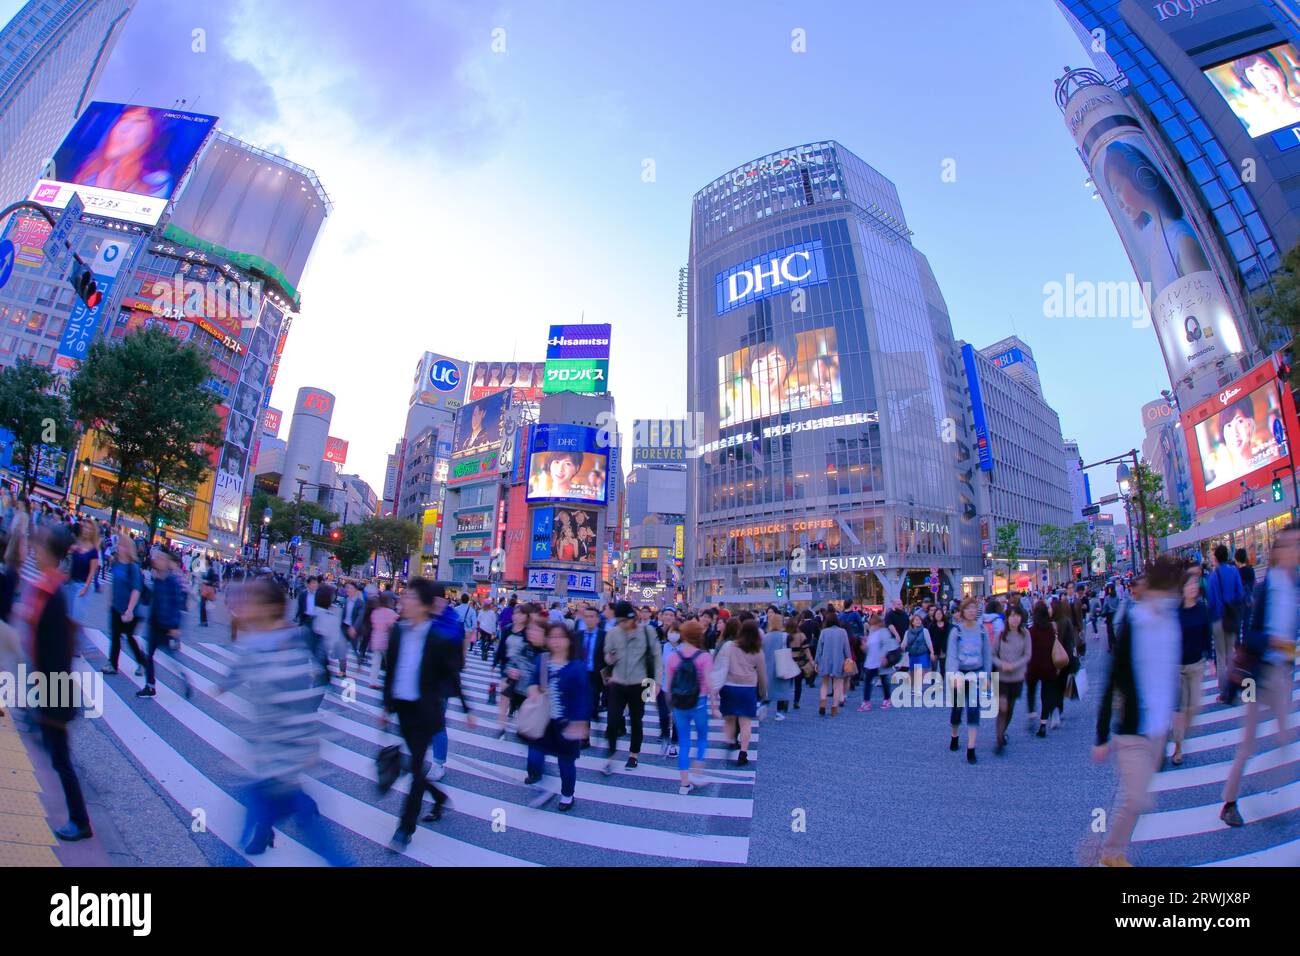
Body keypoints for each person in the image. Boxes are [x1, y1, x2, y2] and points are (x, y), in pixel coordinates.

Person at [216, 577, 348, 864]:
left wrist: (303, 748)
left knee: (269, 812)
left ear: (270, 607)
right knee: (290, 812)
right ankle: (273, 831)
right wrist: (224, 684)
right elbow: (246, 664)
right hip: (271, 753)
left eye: (252, 601)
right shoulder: (260, 641)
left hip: (282, 754)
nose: (244, 607)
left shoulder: (288, 647)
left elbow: (298, 704)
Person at [1093, 556, 1183, 867]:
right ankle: (1106, 851)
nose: (1169, 598)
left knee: (1139, 799)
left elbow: (1171, 672)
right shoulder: (1135, 622)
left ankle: (1111, 850)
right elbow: (1112, 677)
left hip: (1157, 725)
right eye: (1165, 591)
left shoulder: (1172, 623)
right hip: (1132, 725)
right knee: (1137, 797)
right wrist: (1102, 734)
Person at [1219, 525, 1299, 828]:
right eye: (1290, 546)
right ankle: (1230, 802)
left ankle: (1272, 796)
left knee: (1284, 736)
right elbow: (1249, 635)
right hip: (1255, 675)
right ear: (1278, 552)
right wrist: (1274, 642)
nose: (1295, 552)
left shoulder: (1294, 585)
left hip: (1279, 673)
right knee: (1249, 741)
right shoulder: (1268, 589)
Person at [381, 579, 464, 849]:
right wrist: (386, 706)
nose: (404, 601)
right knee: (411, 765)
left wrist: (468, 708)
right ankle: (438, 798)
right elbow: (390, 671)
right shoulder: (397, 631)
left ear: (425, 605)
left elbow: (453, 674)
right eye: (405, 596)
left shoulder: (438, 638)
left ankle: (405, 827)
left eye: (411, 598)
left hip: (426, 711)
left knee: (416, 769)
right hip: (403, 708)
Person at [21, 526, 92, 840]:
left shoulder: (54, 592)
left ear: (51, 553)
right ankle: (79, 820)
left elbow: (58, 650)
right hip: (49, 686)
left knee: (61, 758)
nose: (35, 552)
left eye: (38, 547)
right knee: (57, 754)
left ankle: (80, 821)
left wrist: (51, 699)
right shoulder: (51, 587)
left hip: (55, 689)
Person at [522, 622, 592, 812]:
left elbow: (583, 696)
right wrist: (534, 690)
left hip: (567, 722)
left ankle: (567, 794)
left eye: (561, 637)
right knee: (534, 757)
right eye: (552, 637)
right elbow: (532, 681)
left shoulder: (577, 666)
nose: (556, 642)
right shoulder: (542, 660)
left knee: (566, 763)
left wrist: (580, 722)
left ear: (569, 641)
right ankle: (539, 778)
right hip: (543, 720)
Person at [601, 601, 660, 773]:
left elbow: (656, 659)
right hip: (618, 682)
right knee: (612, 720)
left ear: (632, 618)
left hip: (639, 683)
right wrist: (609, 658)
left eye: (625, 621)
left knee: (636, 719)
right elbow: (607, 656)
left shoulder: (648, 632)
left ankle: (633, 755)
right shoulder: (612, 633)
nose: (622, 625)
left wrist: (656, 683)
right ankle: (611, 754)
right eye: (619, 621)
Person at [665, 620, 714, 795]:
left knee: (684, 742)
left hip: (679, 703)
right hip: (699, 701)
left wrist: (671, 707)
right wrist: (714, 706)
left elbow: (669, 685)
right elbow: (709, 683)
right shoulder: (704, 657)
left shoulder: (673, 656)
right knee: (702, 737)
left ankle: (684, 784)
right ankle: (698, 767)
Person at [1171, 565, 1211, 766]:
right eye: (1189, 585)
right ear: (1182, 589)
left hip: (1196, 664)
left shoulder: (1202, 608)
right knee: (1180, 708)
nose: (1193, 588)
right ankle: (1178, 747)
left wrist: (1210, 658)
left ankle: (1179, 734)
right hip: (1178, 667)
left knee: (1193, 707)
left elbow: (1207, 633)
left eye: (1195, 584)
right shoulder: (1175, 613)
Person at [135, 549, 188, 700]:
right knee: (149, 655)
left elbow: (177, 604)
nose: (156, 560)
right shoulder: (157, 578)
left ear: (166, 562)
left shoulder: (172, 581)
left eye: (159, 558)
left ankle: (183, 677)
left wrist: (175, 627)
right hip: (154, 625)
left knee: (171, 656)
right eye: (156, 558)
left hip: (167, 627)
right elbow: (154, 601)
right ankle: (150, 686)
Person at [713, 619, 767, 766]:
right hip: (748, 688)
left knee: (729, 718)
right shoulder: (757, 651)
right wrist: (763, 692)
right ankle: (743, 752)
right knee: (745, 723)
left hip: (729, 687)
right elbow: (762, 674)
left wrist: (715, 687)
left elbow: (719, 665)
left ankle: (731, 741)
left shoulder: (730, 646)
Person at [947, 596, 991, 764]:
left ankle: (971, 748)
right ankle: (954, 734)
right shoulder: (956, 631)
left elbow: (987, 654)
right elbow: (951, 656)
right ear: (963, 611)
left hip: (977, 672)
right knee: (957, 709)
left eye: (974, 608)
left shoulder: (982, 630)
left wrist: (987, 676)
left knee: (974, 709)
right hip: (960, 673)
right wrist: (953, 675)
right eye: (968, 608)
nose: (972, 611)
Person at [1204, 544, 1246, 701]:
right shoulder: (1234, 571)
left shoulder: (1213, 576)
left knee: (1220, 657)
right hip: (1231, 618)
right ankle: (1235, 687)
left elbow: (1211, 601)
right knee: (1231, 654)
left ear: (1216, 557)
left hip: (1217, 619)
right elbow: (1240, 593)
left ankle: (1224, 692)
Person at [992, 604, 1032, 755]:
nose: (1015, 619)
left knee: (1010, 708)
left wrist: (1014, 665)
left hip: (1017, 677)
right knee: (1002, 707)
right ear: (1007, 618)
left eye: (1017, 615)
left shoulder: (1025, 634)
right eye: (1012, 615)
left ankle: (1003, 732)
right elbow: (992, 654)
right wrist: (1001, 664)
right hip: (1001, 677)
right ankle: (999, 739)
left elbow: (1028, 655)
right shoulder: (1001, 635)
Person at [102, 536, 142, 675]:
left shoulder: (133, 567)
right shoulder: (117, 563)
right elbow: (114, 583)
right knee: (115, 635)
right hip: (116, 606)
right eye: (118, 544)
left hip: (130, 609)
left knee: (129, 637)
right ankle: (113, 664)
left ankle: (142, 662)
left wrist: (130, 610)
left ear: (127, 548)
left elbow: (136, 589)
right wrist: (110, 600)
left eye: (121, 545)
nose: (118, 547)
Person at [1025, 601, 1061, 738]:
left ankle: (1031, 714)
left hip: (1033, 667)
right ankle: (1043, 724)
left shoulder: (1031, 631)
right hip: (1049, 666)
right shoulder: (1052, 629)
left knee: (1031, 692)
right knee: (1046, 695)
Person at [813, 607, 851, 716]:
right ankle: (834, 708)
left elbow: (819, 649)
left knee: (824, 684)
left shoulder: (824, 632)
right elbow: (846, 648)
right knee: (837, 685)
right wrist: (849, 659)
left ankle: (823, 703)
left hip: (825, 660)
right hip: (838, 660)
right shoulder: (842, 632)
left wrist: (816, 662)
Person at [1048, 598, 1079, 730]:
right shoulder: (1066, 621)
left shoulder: (1055, 624)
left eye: (1050, 607)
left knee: (1054, 686)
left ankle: (1055, 711)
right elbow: (1072, 641)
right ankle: (1059, 710)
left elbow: (1056, 643)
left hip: (1058, 658)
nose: (1049, 610)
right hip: (1068, 658)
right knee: (1060, 686)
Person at [859, 613, 897, 711]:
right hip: (871, 661)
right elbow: (869, 648)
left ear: (879, 623)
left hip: (880, 661)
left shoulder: (883, 631)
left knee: (884, 681)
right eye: (872, 624)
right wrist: (864, 646)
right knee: (868, 681)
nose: (873, 626)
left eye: (874, 624)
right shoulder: (871, 632)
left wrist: (883, 656)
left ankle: (886, 699)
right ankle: (866, 702)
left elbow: (886, 644)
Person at [761, 614, 794, 721]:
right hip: (782, 665)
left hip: (768, 665)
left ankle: (764, 705)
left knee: (769, 688)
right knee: (782, 689)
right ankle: (779, 712)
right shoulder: (785, 636)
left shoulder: (765, 637)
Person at [367, 591, 397, 689]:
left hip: (375, 639)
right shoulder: (390, 613)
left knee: (376, 662)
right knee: (389, 663)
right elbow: (395, 624)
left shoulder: (376, 611)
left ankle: (372, 681)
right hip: (386, 641)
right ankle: (390, 683)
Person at [903, 612, 934, 692]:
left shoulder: (925, 631)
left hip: (923, 654)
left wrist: (932, 652)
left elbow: (929, 642)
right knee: (913, 671)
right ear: (912, 622)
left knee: (922, 671)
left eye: (920, 620)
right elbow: (904, 643)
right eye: (916, 620)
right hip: (912, 654)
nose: (918, 621)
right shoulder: (907, 632)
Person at [785, 619, 811, 711]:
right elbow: (806, 650)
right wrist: (812, 661)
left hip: (788, 664)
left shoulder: (785, 636)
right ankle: (796, 702)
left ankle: (785, 702)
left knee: (787, 685)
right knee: (798, 685)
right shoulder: (801, 636)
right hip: (799, 664)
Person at [340, 581, 365, 667]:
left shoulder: (360, 602)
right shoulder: (346, 600)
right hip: (344, 627)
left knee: (355, 648)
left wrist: (354, 628)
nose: (348, 590)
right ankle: (342, 670)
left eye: (350, 588)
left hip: (353, 629)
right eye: (347, 587)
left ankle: (359, 660)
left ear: (355, 590)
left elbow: (360, 616)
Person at [929, 606, 951, 678]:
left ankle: (941, 682)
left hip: (944, 649)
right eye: (937, 614)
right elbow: (929, 638)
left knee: (942, 668)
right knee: (934, 668)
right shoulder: (932, 626)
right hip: (935, 649)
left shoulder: (947, 625)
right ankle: (933, 683)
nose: (938, 615)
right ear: (934, 615)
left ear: (942, 615)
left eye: (940, 614)